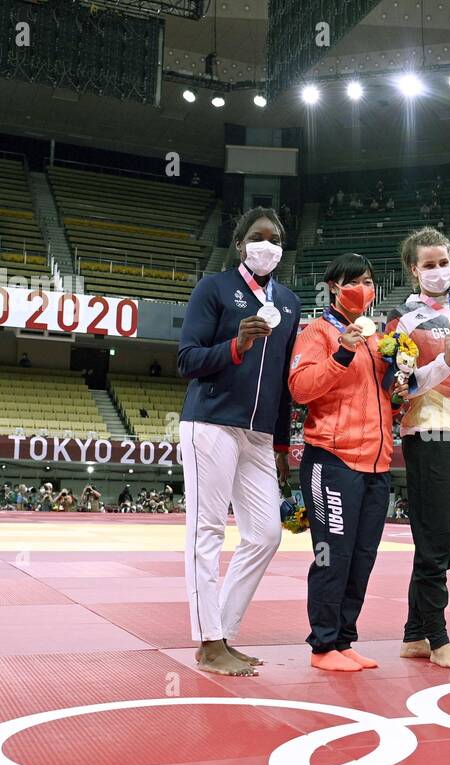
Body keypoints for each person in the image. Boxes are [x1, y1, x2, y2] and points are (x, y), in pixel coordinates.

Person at [291, 253, 450, 672]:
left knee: (362, 557)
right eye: (354, 281)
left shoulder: (381, 340)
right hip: (332, 459)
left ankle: (343, 641)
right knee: (332, 554)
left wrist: (423, 371)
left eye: (368, 281)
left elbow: (397, 393)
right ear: (333, 286)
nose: (363, 289)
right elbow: (301, 388)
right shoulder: (318, 332)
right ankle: (322, 645)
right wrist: (342, 353)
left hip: (377, 464)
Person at [177, 206, 298, 677]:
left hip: (260, 433)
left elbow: (285, 380)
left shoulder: (288, 301)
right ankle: (209, 642)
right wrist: (235, 346)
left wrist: (283, 445)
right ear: (240, 243)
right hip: (210, 421)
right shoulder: (215, 289)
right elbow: (187, 358)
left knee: (266, 534)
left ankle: (222, 630)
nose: (268, 244)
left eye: (276, 237)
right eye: (259, 236)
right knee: (207, 531)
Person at [386, 227, 450, 670]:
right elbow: (399, 388)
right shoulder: (401, 320)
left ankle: (414, 634)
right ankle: (439, 637)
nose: (438, 271)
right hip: (427, 429)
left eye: (443, 263)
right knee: (434, 536)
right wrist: (445, 359)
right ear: (414, 270)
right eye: (429, 265)